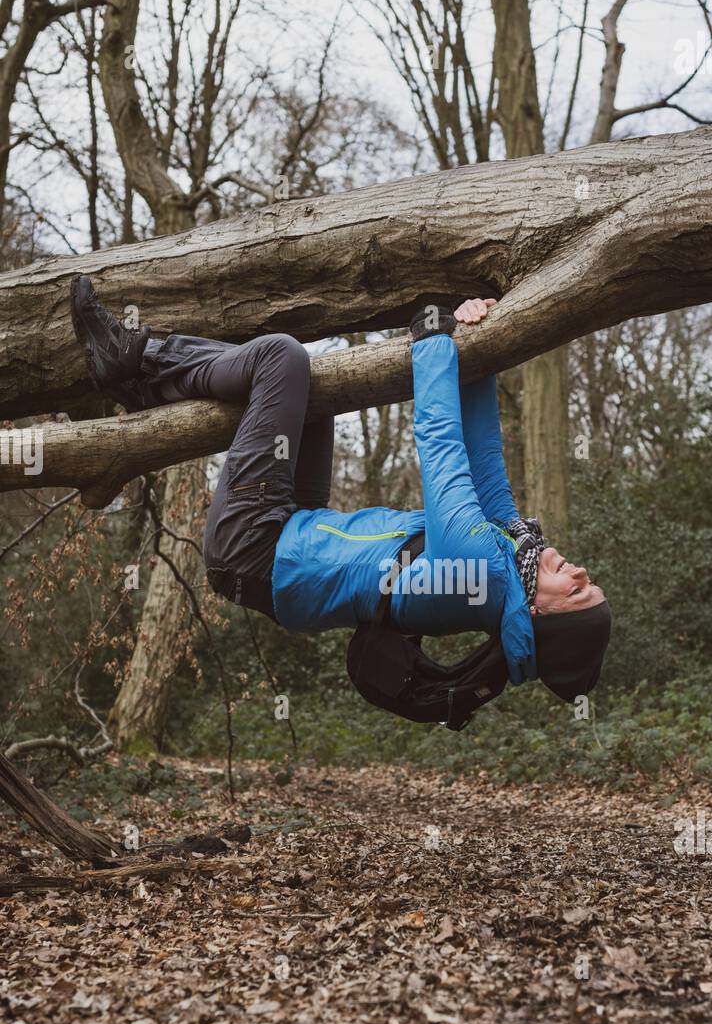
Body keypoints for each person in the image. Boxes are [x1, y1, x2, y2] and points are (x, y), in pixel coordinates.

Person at [70, 276, 611, 705]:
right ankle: (147, 386)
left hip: (254, 550)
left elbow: (444, 451)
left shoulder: (480, 574)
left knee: (279, 359)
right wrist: (477, 352)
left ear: (541, 615)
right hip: (296, 527)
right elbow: (487, 468)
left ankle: (135, 357)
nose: (583, 574)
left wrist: (433, 343)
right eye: (592, 585)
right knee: (319, 391)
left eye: (580, 594)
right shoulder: (508, 560)